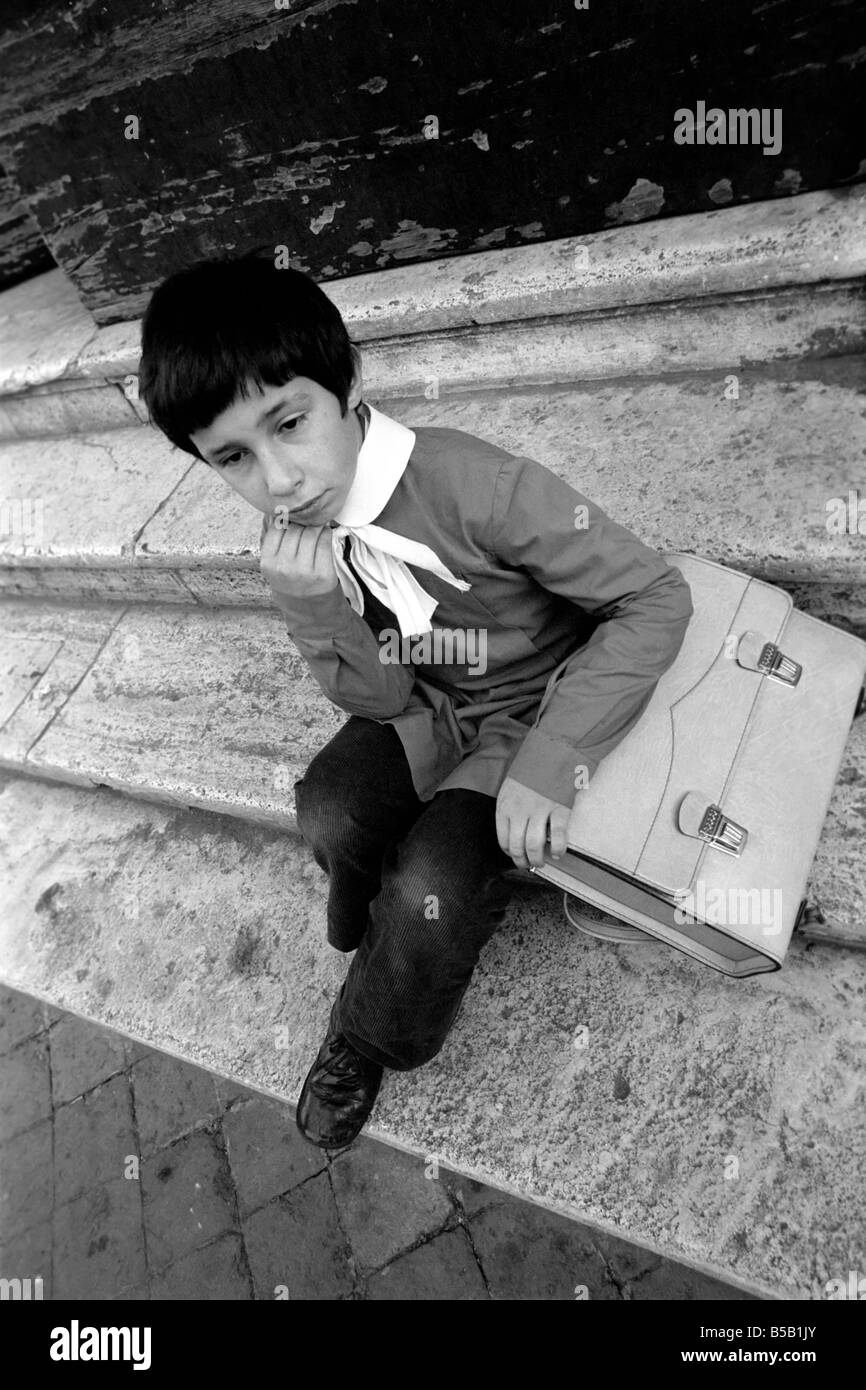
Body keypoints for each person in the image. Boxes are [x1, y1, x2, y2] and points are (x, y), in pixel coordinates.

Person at [138, 250, 693, 1151]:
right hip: (433, 706)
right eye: (234, 457)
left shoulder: (479, 486)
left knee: (434, 880)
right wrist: (313, 604)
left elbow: (654, 597)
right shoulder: (302, 536)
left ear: (348, 382)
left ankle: (368, 1029)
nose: (279, 480)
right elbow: (380, 692)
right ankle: (375, 922)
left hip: (537, 712)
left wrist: (556, 761)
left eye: (291, 423)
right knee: (327, 808)